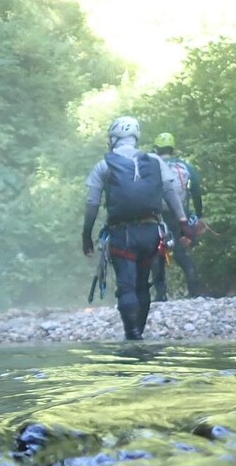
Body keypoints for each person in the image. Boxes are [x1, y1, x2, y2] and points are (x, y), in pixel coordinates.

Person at [81, 116, 190, 341]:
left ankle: (132, 335)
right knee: (142, 285)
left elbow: (92, 203)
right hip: (152, 233)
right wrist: (183, 222)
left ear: (113, 138)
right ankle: (139, 333)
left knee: (126, 286)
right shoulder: (155, 161)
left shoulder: (104, 165)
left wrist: (86, 236)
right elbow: (170, 193)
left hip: (122, 234)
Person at [151, 132, 204, 299]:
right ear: (172, 149)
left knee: (157, 254)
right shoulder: (185, 167)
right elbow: (196, 191)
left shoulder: (151, 167)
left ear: (156, 149)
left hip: (158, 217)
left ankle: (161, 295)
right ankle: (194, 293)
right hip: (181, 216)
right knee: (182, 254)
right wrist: (198, 215)